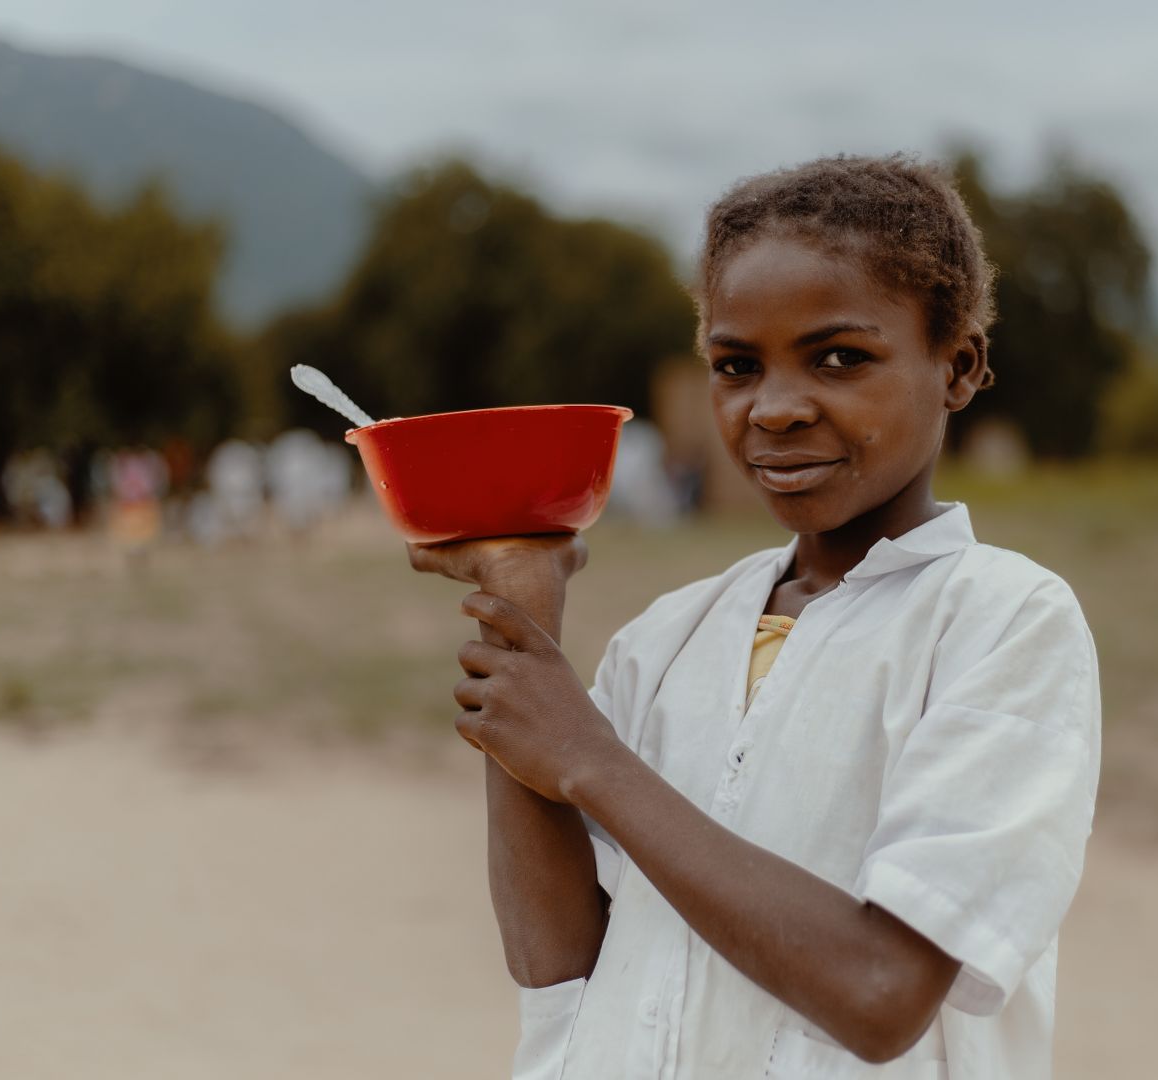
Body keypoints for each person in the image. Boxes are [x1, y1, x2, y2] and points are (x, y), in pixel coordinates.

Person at [408, 154, 1101, 1079]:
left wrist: (590, 761)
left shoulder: (1001, 623)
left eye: (839, 358)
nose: (773, 409)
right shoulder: (669, 638)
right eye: (737, 366)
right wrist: (520, 598)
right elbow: (558, 964)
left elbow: (883, 992)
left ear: (959, 367)